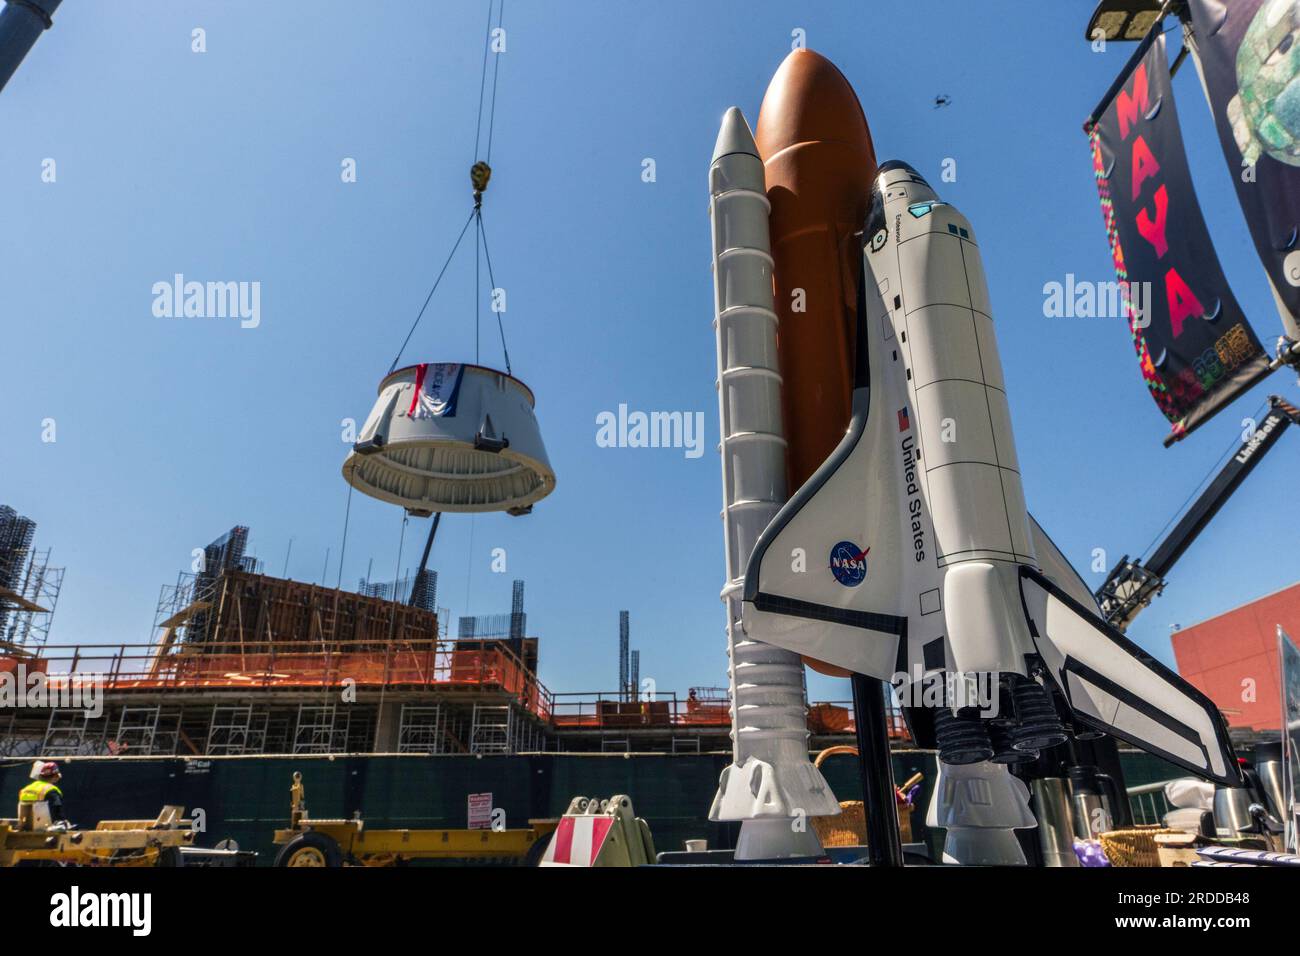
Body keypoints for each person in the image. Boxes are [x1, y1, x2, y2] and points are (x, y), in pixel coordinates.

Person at [18, 761, 65, 828]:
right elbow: (57, 809)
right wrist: (62, 822)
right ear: (55, 776)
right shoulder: (51, 790)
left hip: (24, 825)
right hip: (44, 826)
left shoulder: (25, 789)